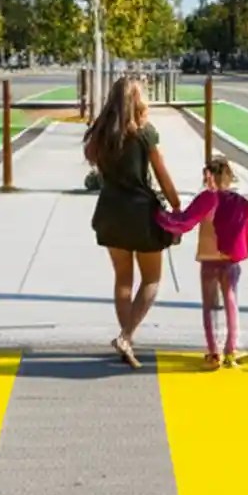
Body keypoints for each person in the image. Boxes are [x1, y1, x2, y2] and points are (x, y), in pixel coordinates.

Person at [85, 76, 181, 369]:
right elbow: (161, 174)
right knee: (151, 279)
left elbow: (93, 162)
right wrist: (177, 206)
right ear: (137, 101)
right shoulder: (144, 133)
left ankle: (126, 341)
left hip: (110, 212)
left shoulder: (101, 133)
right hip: (141, 214)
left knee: (123, 279)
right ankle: (126, 337)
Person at [156, 156, 248, 370]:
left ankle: (213, 352)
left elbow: (185, 222)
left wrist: (160, 217)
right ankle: (231, 350)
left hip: (208, 258)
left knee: (209, 306)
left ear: (207, 177)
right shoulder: (238, 201)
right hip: (230, 259)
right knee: (231, 301)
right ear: (229, 177)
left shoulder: (206, 199)